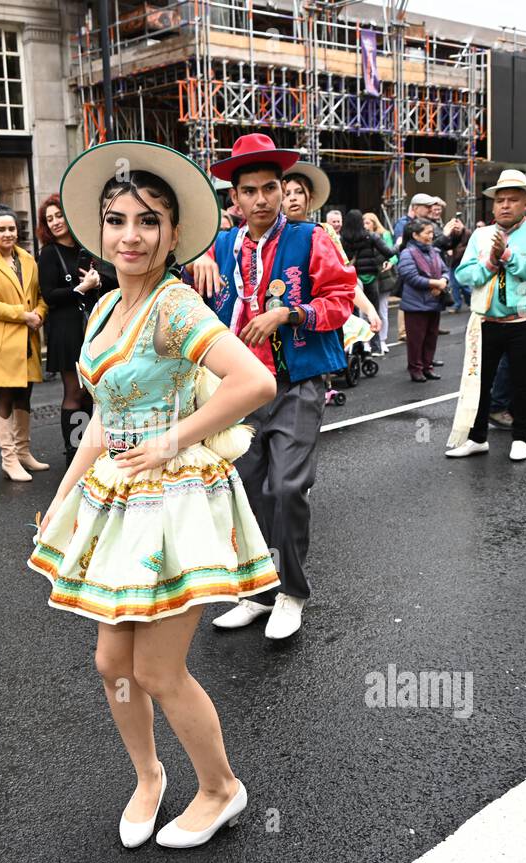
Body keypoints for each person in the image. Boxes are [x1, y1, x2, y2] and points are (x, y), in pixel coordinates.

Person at [29, 139, 279, 849]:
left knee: (159, 669)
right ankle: (149, 777)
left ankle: (220, 788)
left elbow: (253, 383)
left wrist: (172, 439)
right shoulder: (106, 303)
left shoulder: (176, 306)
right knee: (113, 663)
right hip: (117, 495)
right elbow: (105, 415)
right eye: (116, 220)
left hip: (173, 498)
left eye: (148, 221)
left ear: (173, 234)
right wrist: (67, 492)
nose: (130, 235)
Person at [188, 133, 358, 639]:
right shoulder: (218, 246)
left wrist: (290, 313)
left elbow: (341, 300)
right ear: (234, 198)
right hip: (237, 387)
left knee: (286, 486)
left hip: (297, 381)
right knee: (246, 488)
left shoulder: (312, 240)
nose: (260, 200)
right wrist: (193, 259)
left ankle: (293, 592)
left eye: (269, 188)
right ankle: (260, 590)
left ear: (283, 190)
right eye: (249, 191)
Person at [446, 169, 526, 462]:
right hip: (486, 321)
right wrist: (489, 265)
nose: (505, 205)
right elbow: (463, 273)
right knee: (479, 381)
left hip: (524, 321)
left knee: (522, 381)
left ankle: (521, 437)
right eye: (500, 200)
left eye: (512, 200)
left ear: (525, 202)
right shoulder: (480, 235)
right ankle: (477, 438)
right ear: (493, 206)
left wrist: (508, 256)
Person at [36, 193, 116, 465]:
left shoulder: (89, 248)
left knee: (94, 391)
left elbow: (112, 281)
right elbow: (49, 295)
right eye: (50, 219)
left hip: (94, 326)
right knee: (74, 391)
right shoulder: (48, 253)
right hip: (66, 329)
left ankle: (92, 451)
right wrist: (80, 288)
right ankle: (74, 453)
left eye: (59, 215)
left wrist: (97, 280)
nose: (56, 222)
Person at [0, 203, 48, 481]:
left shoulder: (27, 258)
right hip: (1, 341)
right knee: (3, 396)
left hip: (26, 340)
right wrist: (24, 315)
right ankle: (9, 459)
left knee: (24, 394)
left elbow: (40, 296)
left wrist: (39, 313)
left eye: (11, 228)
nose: (7, 233)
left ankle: (23, 452)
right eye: (1, 229)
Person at [280, 165, 382, 352]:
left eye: (299, 192)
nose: (292, 198)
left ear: (310, 197)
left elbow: (342, 281)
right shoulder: (273, 234)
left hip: (318, 319)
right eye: (286, 193)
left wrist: (369, 310)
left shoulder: (324, 232)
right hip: (280, 320)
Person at [397, 218, 450, 382]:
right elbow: (410, 277)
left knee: (431, 337)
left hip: (434, 302)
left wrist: (443, 281)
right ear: (415, 235)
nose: (431, 236)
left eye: (432, 232)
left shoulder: (433, 251)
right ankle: (416, 369)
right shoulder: (407, 253)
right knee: (416, 340)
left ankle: (428, 367)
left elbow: (445, 270)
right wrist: (435, 283)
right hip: (415, 304)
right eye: (427, 232)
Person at [345, 210, 398, 354]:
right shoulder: (371, 236)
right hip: (371, 278)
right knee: (373, 312)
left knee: (355, 314)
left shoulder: (342, 239)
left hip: (352, 280)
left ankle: (357, 346)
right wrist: (399, 244)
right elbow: (389, 252)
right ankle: (376, 347)